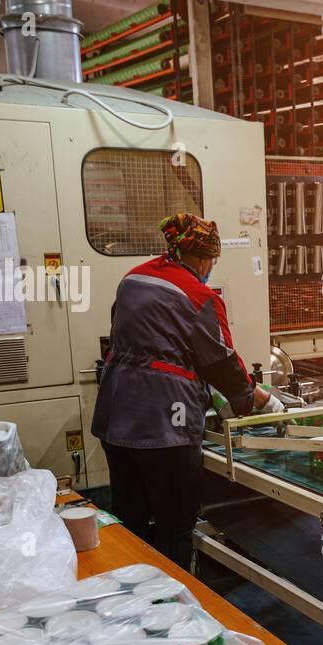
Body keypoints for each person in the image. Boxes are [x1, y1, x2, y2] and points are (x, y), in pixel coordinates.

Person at [91, 212, 283, 567]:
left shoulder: (133, 279)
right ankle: (177, 604)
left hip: (115, 414)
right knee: (175, 525)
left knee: (128, 518)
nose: (211, 266)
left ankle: (128, 594)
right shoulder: (199, 296)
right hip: (165, 428)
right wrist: (261, 400)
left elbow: (141, 341)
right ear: (201, 256)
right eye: (213, 259)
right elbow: (223, 361)